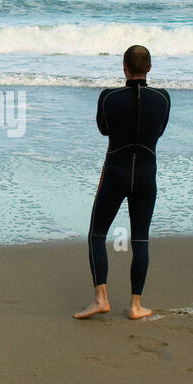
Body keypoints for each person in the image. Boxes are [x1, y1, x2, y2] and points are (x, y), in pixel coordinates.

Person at [74, 45, 171, 320]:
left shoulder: (108, 97)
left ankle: (100, 299)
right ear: (149, 68)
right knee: (140, 239)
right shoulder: (163, 99)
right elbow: (160, 130)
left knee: (96, 235)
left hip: (115, 172)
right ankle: (136, 305)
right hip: (145, 174)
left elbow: (104, 129)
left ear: (124, 68)